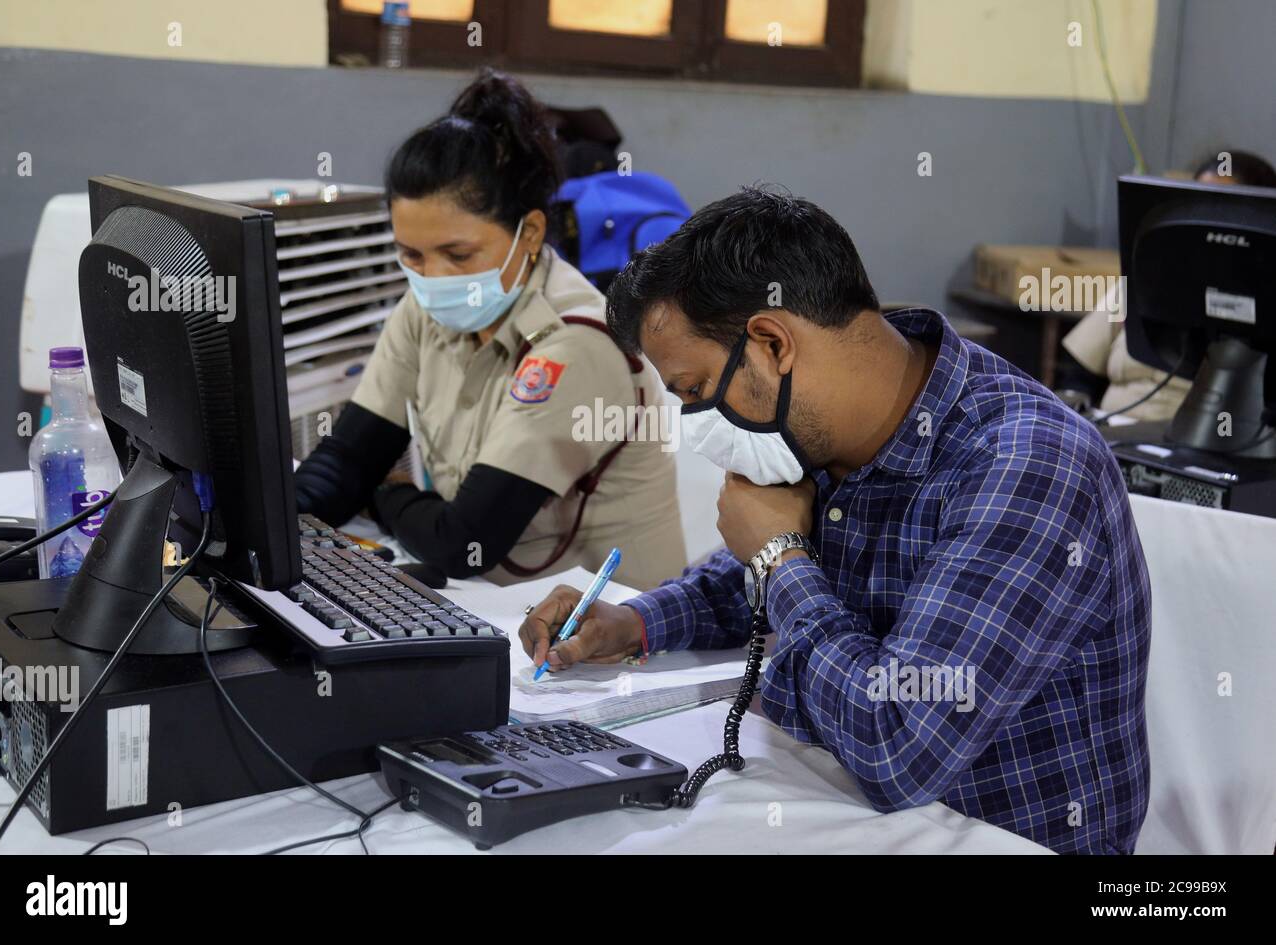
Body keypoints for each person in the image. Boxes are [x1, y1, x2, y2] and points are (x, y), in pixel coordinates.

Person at [518, 188, 1152, 854]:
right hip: (834, 799)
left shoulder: (1026, 467)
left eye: (695, 390)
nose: (696, 422)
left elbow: (898, 745)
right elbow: (753, 573)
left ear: (771, 343)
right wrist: (637, 621)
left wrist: (780, 559)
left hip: (992, 834)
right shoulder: (828, 423)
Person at [293, 69, 684, 590]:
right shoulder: (425, 310)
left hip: (603, 636)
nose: (431, 277)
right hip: (498, 605)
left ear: (531, 234)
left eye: (458, 254)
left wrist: (382, 487)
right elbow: (346, 460)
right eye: (411, 254)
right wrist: (265, 520)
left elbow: (463, 543)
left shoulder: (574, 344)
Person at [1060, 149, 1276, 420]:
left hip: (1197, 442)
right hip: (1110, 434)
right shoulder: (1147, 279)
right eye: (1199, 202)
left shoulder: (1264, 305)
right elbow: (1080, 371)